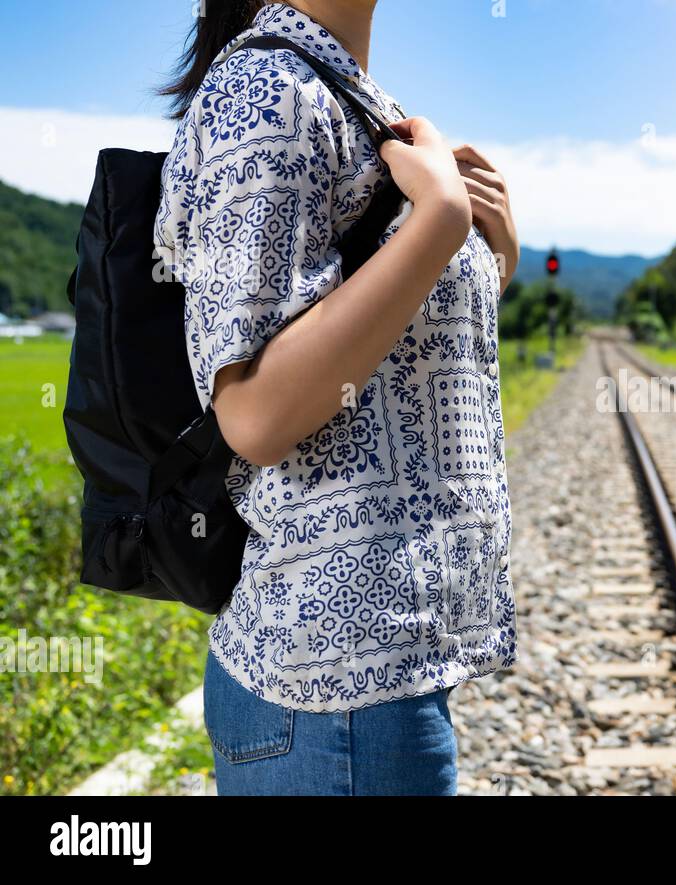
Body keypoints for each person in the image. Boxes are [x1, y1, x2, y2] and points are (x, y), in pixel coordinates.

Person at [153, 0, 519, 796]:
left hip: (379, 676)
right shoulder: (265, 90)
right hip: (332, 694)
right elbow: (253, 413)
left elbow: (388, 360)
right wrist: (440, 222)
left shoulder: (349, 98)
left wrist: (491, 259)